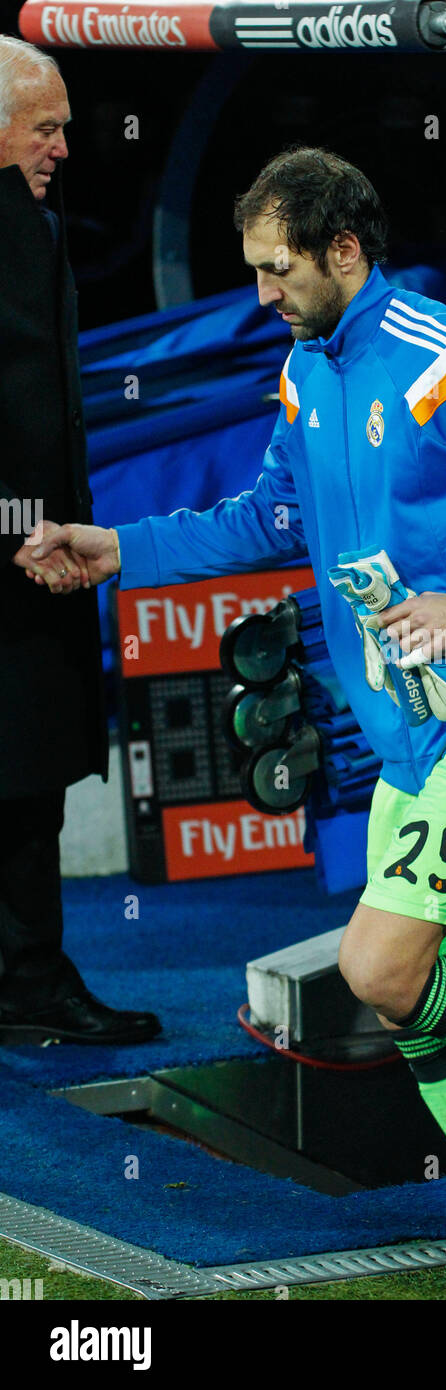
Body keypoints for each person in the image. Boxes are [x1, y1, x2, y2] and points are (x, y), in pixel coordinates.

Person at [20, 146, 446, 1167]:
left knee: (381, 968)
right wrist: (121, 550)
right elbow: (270, 516)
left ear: (344, 250)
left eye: (279, 269)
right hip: (408, 737)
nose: (262, 292)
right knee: (417, 1007)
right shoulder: (305, 366)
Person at [0, 35, 159, 1045]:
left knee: (29, 779)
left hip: (35, 555)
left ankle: (26, 978)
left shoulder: (32, 224)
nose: (63, 146)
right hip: (17, 548)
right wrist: (19, 528)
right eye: (44, 126)